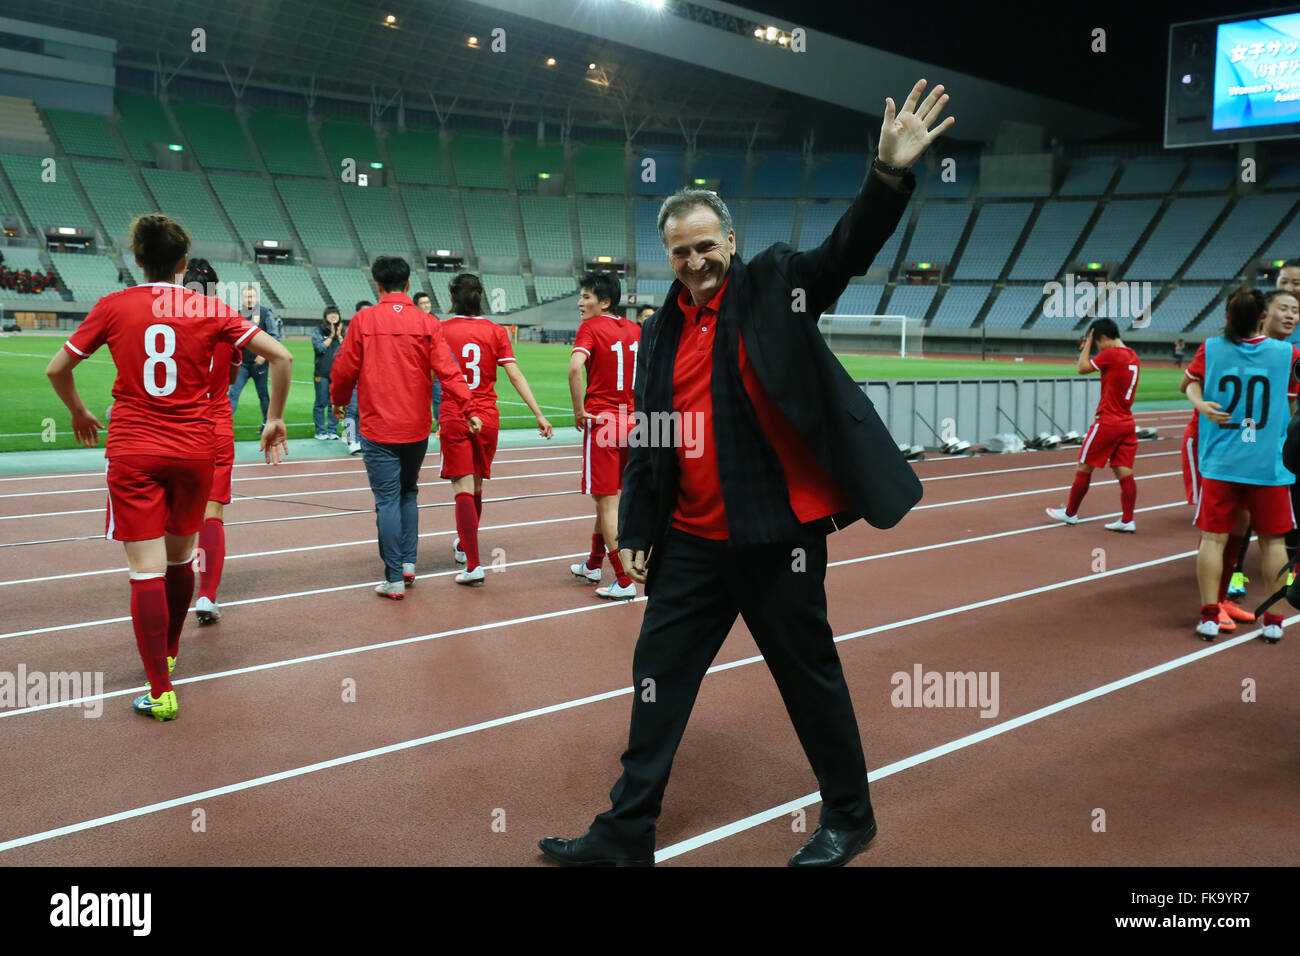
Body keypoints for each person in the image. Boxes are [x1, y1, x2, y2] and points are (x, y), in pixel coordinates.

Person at [538, 78, 950, 868]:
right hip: (692, 543)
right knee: (657, 681)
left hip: (776, 538)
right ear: (668, 257)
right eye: (680, 251)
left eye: (705, 245)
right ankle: (625, 835)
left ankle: (850, 815)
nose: (696, 261)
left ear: (729, 239)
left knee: (808, 680)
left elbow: (845, 251)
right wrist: (635, 527)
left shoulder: (773, 284)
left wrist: (888, 175)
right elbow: (655, 433)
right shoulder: (661, 329)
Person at [44, 214, 292, 721]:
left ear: (137, 259)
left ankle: (160, 689)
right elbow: (282, 356)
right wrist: (274, 419)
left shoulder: (114, 305)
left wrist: (78, 410)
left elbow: (58, 368)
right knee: (180, 563)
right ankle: (172, 652)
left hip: (134, 450)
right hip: (194, 450)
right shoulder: (209, 308)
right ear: (183, 262)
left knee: (144, 571)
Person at [329, 258, 480, 599]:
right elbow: (448, 370)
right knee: (408, 492)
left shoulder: (364, 320)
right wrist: (468, 407)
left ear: (377, 286)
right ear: (408, 284)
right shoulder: (427, 322)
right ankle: (408, 565)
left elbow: (344, 368)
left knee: (386, 499)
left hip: (377, 426)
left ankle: (394, 576)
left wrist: (338, 400)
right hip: (415, 427)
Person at [1184, 287, 1300, 642]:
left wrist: (1203, 407)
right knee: (1273, 541)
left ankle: (1208, 615)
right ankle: (1274, 621)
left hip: (1222, 460)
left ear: (1229, 317)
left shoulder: (1212, 347)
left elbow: (1188, 383)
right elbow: (1292, 407)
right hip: (1267, 463)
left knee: (1213, 540)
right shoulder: (1286, 353)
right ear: (1263, 316)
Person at [438, 274, 554, 585]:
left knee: (461, 488)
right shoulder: (496, 331)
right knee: (476, 487)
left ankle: (473, 563)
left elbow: (425, 376)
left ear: (452, 298)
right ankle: (465, 545)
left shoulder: (441, 329)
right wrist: (539, 414)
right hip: (488, 416)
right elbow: (515, 375)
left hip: (456, 413)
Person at [566, 272, 642, 599]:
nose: (581, 303)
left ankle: (623, 581)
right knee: (610, 499)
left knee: (608, 504)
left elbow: (573, 368)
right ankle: (594, 563)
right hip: (637, 425)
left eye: (587, 297)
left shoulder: (591, 328)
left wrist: (578, 410)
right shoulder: (637, 329)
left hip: (604, 422)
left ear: (605, 301)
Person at [1045, 318, 1140, 531]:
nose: (1097, 347)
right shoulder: (1133, 356)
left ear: (1103, 337)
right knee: (1123, 471)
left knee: (1084, 466)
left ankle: (1070, 513)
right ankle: (1127, 520)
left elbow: (1082, 368)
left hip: (1108, 421)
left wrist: (1087, 342)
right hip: (1127, 422)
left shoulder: (1111, 353)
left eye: (1097, 342)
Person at [229, 285, 282, 434]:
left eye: (252, 296)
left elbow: (275, 337)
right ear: (242, 298)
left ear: (257, 297)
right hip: (242, 364)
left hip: (260, 364)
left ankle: (267, 423)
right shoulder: (237, 314)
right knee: (233, 393)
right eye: (246, 296)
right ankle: (225, 424)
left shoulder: (265, 313)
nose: (249, 299)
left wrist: (264, 354)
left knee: (262, 394)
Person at [344, 300, 372, 454]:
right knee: (352, 409)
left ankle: (360, 439)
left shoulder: (375, 330)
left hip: (369, 377)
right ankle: (350, 440)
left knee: (364, 411)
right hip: (355, 376)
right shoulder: (353, 331)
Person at [414, 291, 443, 432]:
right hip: (418, 369)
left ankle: (440, 428)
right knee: (418, 402)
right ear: (416, 306)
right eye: (422, 303)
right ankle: (418, 429)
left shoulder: (435, 320)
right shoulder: (412, 322)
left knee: (439, 399)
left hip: (435, 368)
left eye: (428, 302)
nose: (426, 305)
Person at [313, 306, 344, 440]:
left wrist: (339, 336)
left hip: (338, 373)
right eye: (330, 314)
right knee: (321, 402)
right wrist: (331, 336)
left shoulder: (343, 331)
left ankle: (332, 430)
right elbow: (319, 348)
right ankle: (320, 431)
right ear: (325, 316)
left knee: (335, 403)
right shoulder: (319, 331)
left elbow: (349, 350)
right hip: (322, 373)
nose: (333, 316)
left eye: (335, 313)